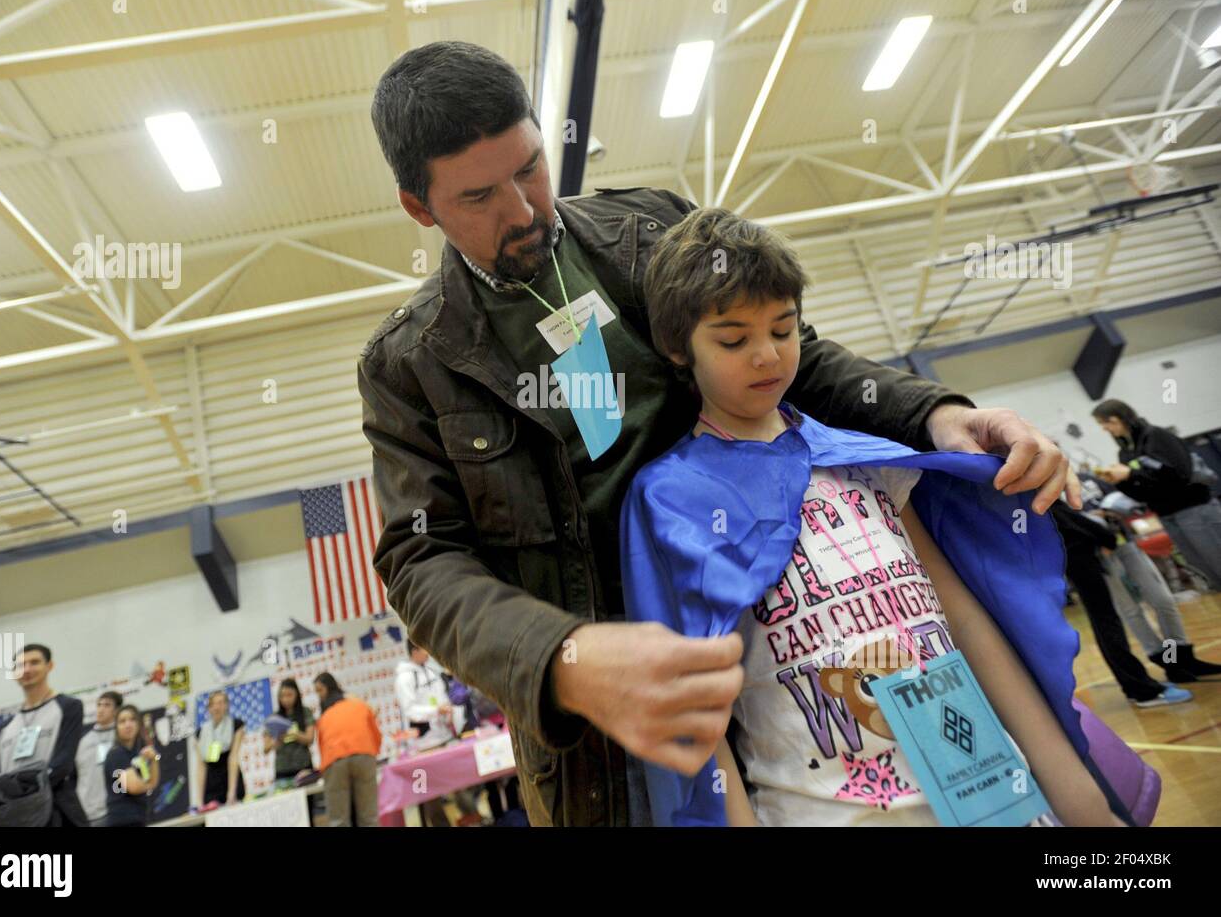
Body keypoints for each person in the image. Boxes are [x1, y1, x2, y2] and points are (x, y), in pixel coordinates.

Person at [360, 40, 1082, 826]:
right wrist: (560, 656)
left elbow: (784, 356)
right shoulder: (409, 365)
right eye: (479, 197)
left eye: (530, 167)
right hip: (611, 724)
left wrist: (934, 414)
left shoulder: (649, 228)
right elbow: (421, 558)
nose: (526, 209)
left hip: (778, 630)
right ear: (418, 206)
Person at [621, 207, 1135, 826]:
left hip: (992, 795)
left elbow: (966, 623)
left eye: (783, 330)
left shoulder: (864, 461)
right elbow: (689, 709)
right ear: (679, 347)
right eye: (733, 340)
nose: (766, 356)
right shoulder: (669, 498)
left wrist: (1076, 793)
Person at [1050, 501, 1191, 708]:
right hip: (1083, 551)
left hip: (1097, 547)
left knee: (1159, 603)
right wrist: (1102, 534)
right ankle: (1146, 684)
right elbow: (1063, 519)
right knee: (1117, 617)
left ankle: (1176, 664)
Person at [1093, 399, 1221, 592]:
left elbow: (1178, 473)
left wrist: (1130, 473)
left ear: (1120, 417)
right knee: (1204, 568)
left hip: (1194, 508)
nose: (1105, 428)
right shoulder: (1125, 453)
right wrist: (1120, 481)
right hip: (1166, 515)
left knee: (1216, 558)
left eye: (1106, 422)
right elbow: (1141, 493)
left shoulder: (1155, 436)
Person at [0, 643, 89, 826]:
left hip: (55, 811)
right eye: (21, 665)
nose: (27, 669)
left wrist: (22, 795)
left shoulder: (69, 707)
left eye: (34, 662)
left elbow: (62, 764)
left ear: (49, 666)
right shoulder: (3, 728)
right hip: (13, 817)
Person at [312, 672, 382, 827]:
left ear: (328, 688)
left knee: (339, 820)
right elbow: (376, 735)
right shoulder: (358, 704)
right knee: (369, 817)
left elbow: (323, 747)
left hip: (335, 760)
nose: (319, 695)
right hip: (364, 755)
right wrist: (372, 754)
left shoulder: (325, 717)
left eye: (319, 690)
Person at [103, 705, 161, 827]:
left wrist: (154, 759)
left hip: (138, 818)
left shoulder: (137, 754)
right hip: (122, 821)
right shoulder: (116, 754)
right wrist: (148, 785)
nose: (128, 725)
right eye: (122, 721)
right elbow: (134, 787)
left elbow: (153, 782)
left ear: (139, 724)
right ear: (116, 727)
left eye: (132, 719)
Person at [76, 690, 121, 827]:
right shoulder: (83, 742)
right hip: (87, 814)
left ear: (116, 710)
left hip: (114, 812)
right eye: (99, 705)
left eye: (107, 705)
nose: (101, 709)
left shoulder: (121, 739)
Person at [394, 640, 453, 745]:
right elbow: (409, 710)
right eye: (424, 649)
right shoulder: (404, 678)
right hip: (425, 742)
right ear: (414, 651)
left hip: (446, 734)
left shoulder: (432, 671)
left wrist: (448, 712)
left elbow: (443, 696)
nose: (428, 652)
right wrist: (436, 710)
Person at [195, 690, 244, 807]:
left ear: (227, 706)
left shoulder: (236, 725)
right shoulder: (201, 733)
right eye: (214, 704)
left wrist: (231, 792)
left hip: (230, 778)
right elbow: (201, 766)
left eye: (221, 703)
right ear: (209, 708)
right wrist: (199, 801)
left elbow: (233, 758)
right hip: (211, 785)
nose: (217, 707)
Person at [264, 678, 315, 781]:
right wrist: (277, 741)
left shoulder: (305, 712)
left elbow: (310, 739)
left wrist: (293, 733)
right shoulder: (274, 718)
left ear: (297, 694)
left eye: (289, 695)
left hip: (303, 766)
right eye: (282, 696)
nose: (286, 699)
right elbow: (266, 748)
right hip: (283, 769)